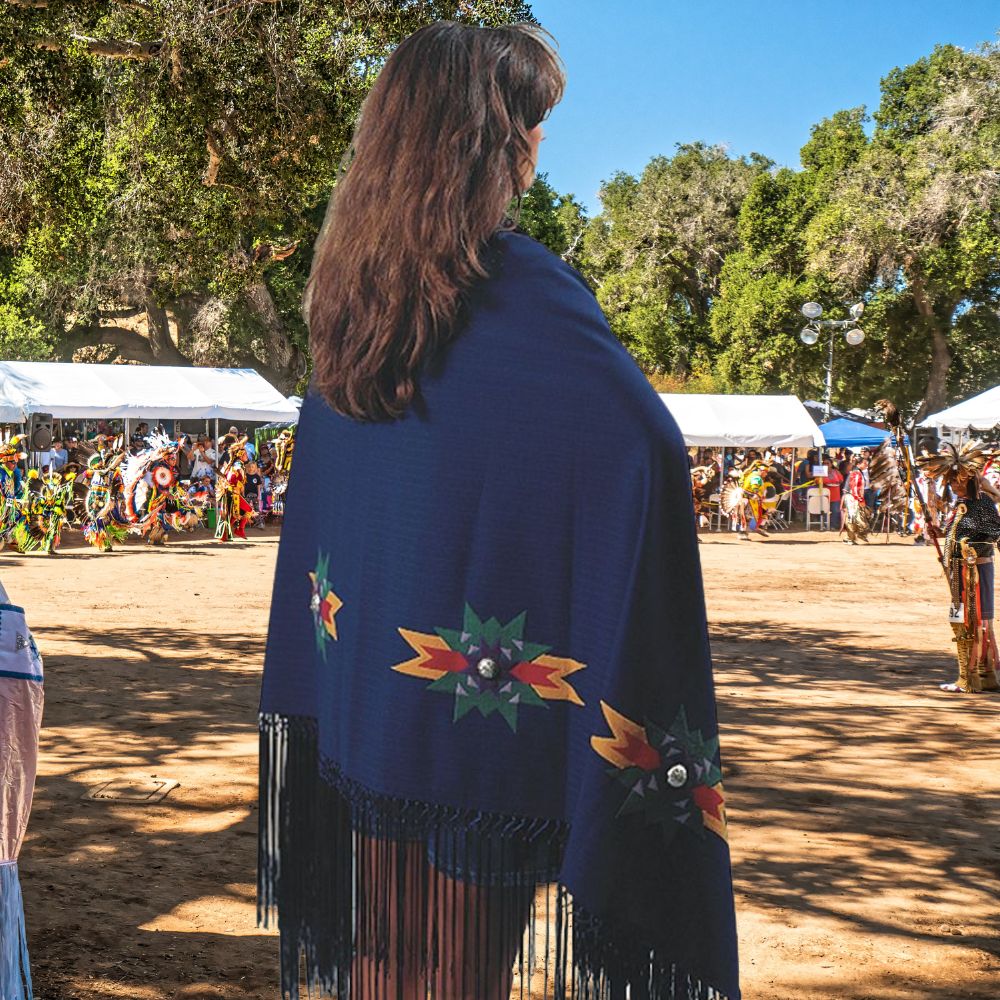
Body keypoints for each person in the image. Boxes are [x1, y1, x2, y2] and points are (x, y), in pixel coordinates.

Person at [258, 21, 738, 1000]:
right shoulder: (520, 289)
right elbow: (643, 446)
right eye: (528, 121)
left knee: (379, 959)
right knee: (453, 976)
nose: (537, 145)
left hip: (364, 705)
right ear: (485, 139)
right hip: (483, 720)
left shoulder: (351, 301)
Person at [918, 442, 1000, 693]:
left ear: (969, 481)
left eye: (956, 481)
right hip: (960, 572)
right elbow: (962, 532)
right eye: (951, 482)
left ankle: (970, 678)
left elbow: (994, 535)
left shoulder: (983, 505)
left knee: (971, 621)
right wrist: (940, 533)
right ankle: (977, 675)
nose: (952, 486)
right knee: (963, 619)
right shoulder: (962, 505)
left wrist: (967, 549)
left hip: (974, 572)